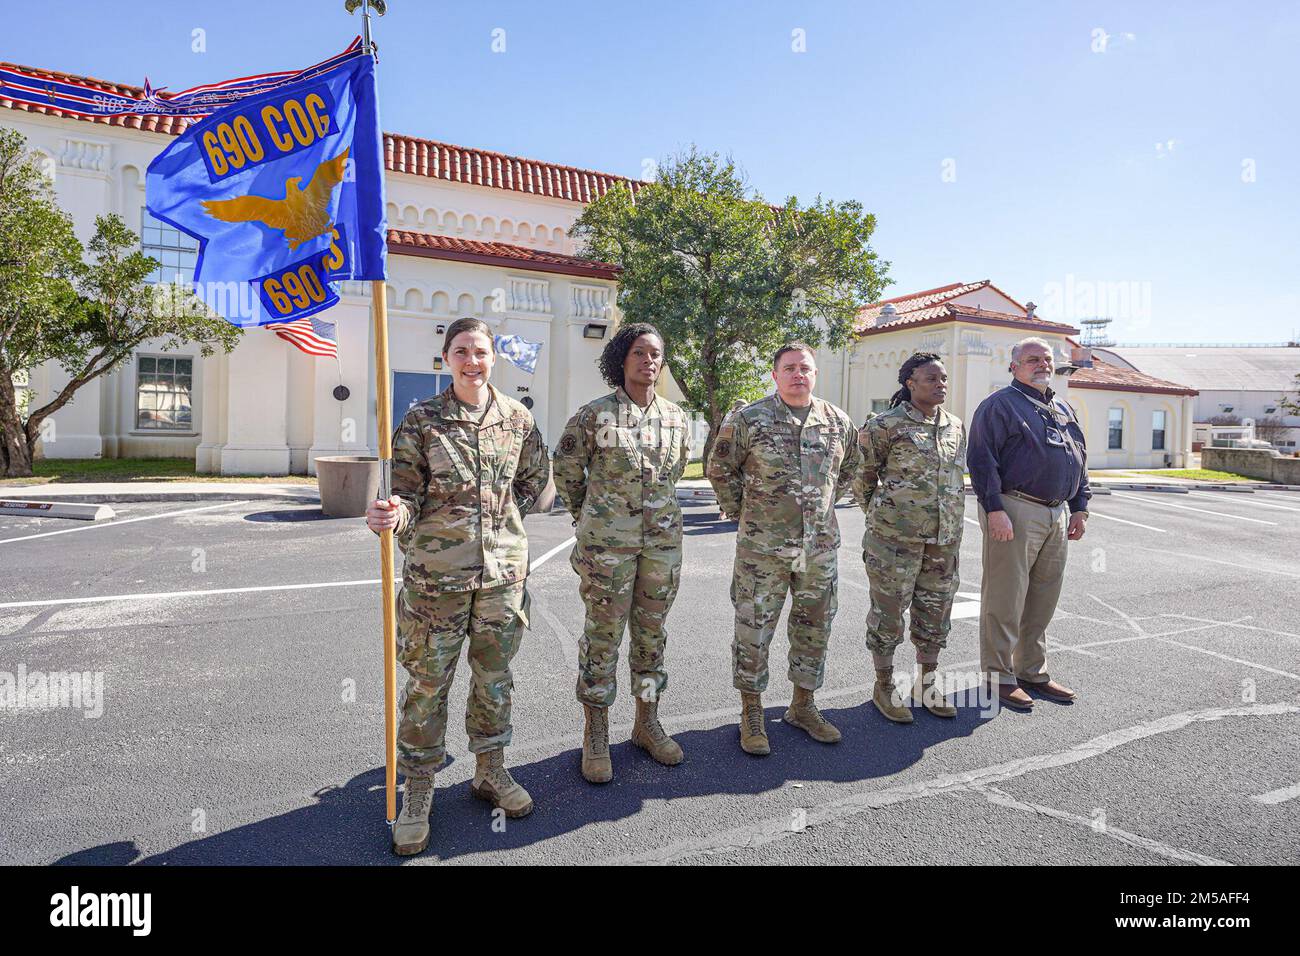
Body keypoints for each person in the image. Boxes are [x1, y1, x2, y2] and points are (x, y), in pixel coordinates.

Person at [366, 317, 551, 855]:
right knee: (428, 684)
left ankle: (490, 769)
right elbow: (404, 494)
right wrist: (391, 515)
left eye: (482, 351)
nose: (473, 360)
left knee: (495, 677)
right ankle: (419, 788)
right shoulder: (422, 421)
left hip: (501, 578)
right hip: (436, 581)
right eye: (462, 351)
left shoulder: (517, 419)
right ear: (446, 359)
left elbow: (533, 482)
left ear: (495, 358)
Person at [553, 322, 693, 783]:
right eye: (639, 352)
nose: (648, 361)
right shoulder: (594, 416)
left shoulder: (676, 417)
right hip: (607, 552)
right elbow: (568, 472)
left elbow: (674, 475)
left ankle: (646, 722)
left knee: (652, 639)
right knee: (602, 639)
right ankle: (596, 732)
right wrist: (590, 521)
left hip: (661, 550)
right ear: (621, 359)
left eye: (656, 353)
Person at [707, 342, 863, 755]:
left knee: (814, 627)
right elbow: (720, 468)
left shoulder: (837, 421)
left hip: (818, 548)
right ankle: (752, 711)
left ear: (815, 374)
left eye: (805, 368)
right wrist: (745, 511)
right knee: (754, 630)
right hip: (764, 548)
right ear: (774, 375)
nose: (798, 374)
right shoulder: (750, 418)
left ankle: (803, 704)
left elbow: (850, 470)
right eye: (789, 368)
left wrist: (821, 506)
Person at [967, 336, 1090, 712]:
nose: (1042, 365)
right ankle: (998, 675)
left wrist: (1080, 505)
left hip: (1057, 514)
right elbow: (981, 459)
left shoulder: (1062, 408)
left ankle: (1032, 671)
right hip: (1014, 508)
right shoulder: (999, 406)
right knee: (1005, 596)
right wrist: (993, 509)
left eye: (1047, 359)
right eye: (1032, 359)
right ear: (1014, 366)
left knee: (1043, 597)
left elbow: (1079, 457)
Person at [856, 353, 965, 723]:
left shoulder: (955, 426)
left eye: (944, 379)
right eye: (932, 378)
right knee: (888, 614)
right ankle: (883, 685)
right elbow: (863, 477)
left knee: (935, 613)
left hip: (943, 540)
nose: (941, 385)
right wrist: (884, 518)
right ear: (910, 383)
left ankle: (927, 682)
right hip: (893, 541)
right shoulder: (884, 425)